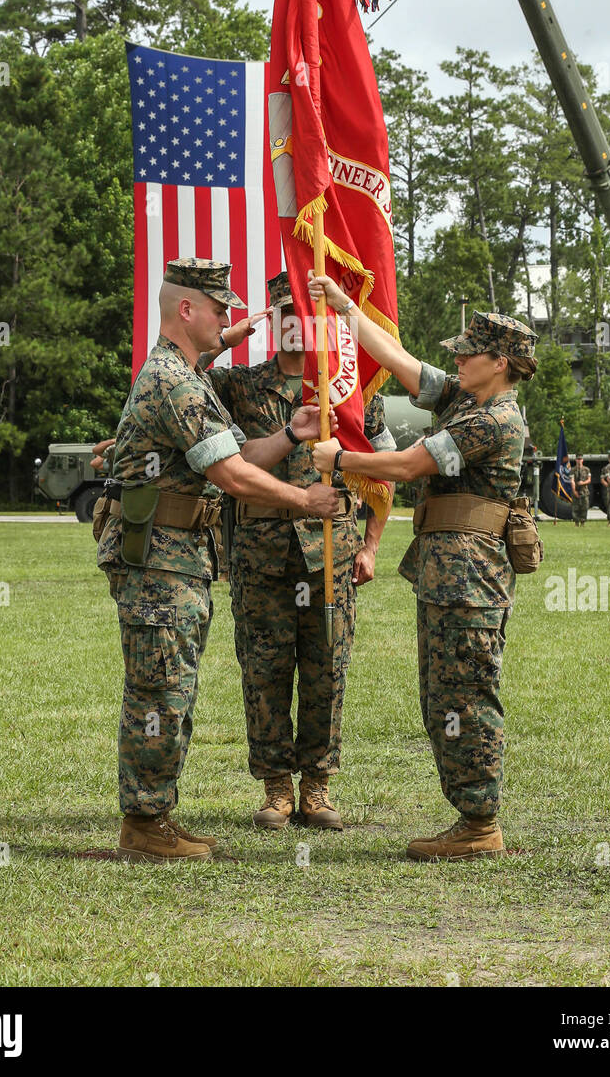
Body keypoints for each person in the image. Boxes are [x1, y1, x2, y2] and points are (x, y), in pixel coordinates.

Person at [96, 258, 340, 864]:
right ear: (186, 309)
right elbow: (232, 475)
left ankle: (154, 818)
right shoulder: (174, 380)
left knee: (171, 687)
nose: (229, 318)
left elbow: (240, 452)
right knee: (159, 691)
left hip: (175, 557)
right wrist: (305, 499)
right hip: (159, 559)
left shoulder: (187, 374)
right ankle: (145, 824)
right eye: (219, 308)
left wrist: (292, 433)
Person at [308, 275, 537, 862]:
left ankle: (480, 824)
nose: (456, 358)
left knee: (464, 696)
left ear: (501, 362)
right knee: (442, 697)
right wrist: (346, 310)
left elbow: (410, 465)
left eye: (469, 352)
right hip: (449, 576)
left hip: (470, 580)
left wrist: (342, 458)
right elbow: (402, 363)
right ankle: (471, 818)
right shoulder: (468, 397)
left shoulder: (494, 419)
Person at [198, 270, 395, 831]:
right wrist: (224, 340)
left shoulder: (344, 390)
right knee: (263, 670)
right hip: (261, 554)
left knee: (326, 669)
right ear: (273, 320)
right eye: (284, 314)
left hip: (329, 553)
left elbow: (383, 473)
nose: (295, 325)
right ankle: (276, 788)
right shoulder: (239, 385)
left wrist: (372, 546)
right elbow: (181, 381)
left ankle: (318, 787)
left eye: (305, 315)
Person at [570, 455, 591, 526]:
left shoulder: (586, 469)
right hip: (575, 490)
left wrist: (583, 483)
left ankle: (583, 522)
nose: (579, 460)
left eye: (580, 459)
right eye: (578, 459)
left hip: (584, 491)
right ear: (576, 460)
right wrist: (574, 491)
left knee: (584, 507)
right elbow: (572, 481)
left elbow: (589, 480)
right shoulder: (572, 470)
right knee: (575, 507)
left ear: (582, 460)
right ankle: (576, 522)